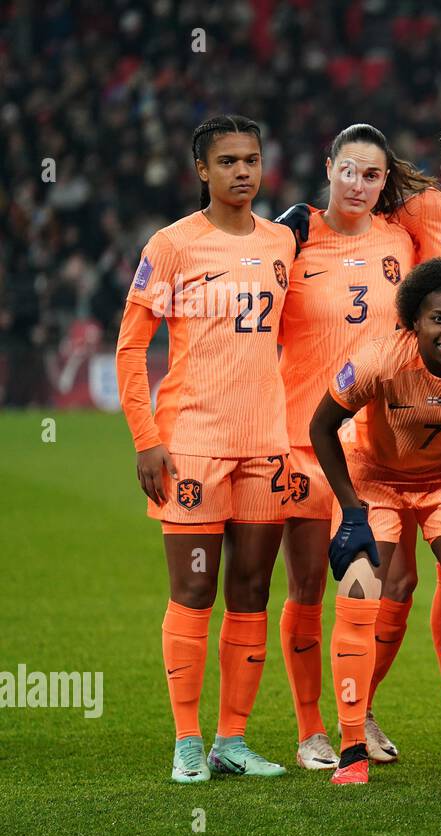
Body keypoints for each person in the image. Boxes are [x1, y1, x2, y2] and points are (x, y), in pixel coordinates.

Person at [115, 115, 297, 782]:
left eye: (251, 158)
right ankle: (187, 739)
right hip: (192, 441)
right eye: (227, 161)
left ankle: (233, 740)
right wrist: (147, 438)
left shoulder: (282, 244)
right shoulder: (171, 247)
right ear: (202, 171)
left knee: (251, 590)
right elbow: (131, 346)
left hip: (265, 443)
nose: (243, 171)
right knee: (194, 586)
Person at [308, 259, 441, 783]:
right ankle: (353, 745)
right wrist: (351, 509)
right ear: (413, 322)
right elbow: (321, 427)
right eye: (439, 320)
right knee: (361, 590)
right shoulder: (379, 360)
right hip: (374, 480)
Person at [277, 123, 423, 771]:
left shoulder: (402, 238)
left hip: (384, 443)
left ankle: (358, 704)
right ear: (328, 166)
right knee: (312, 583)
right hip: (305, 436)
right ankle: (314, 728)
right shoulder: (293, 237)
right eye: (350, 171)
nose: (359, 185)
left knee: (399, 581)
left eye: (373, 175)